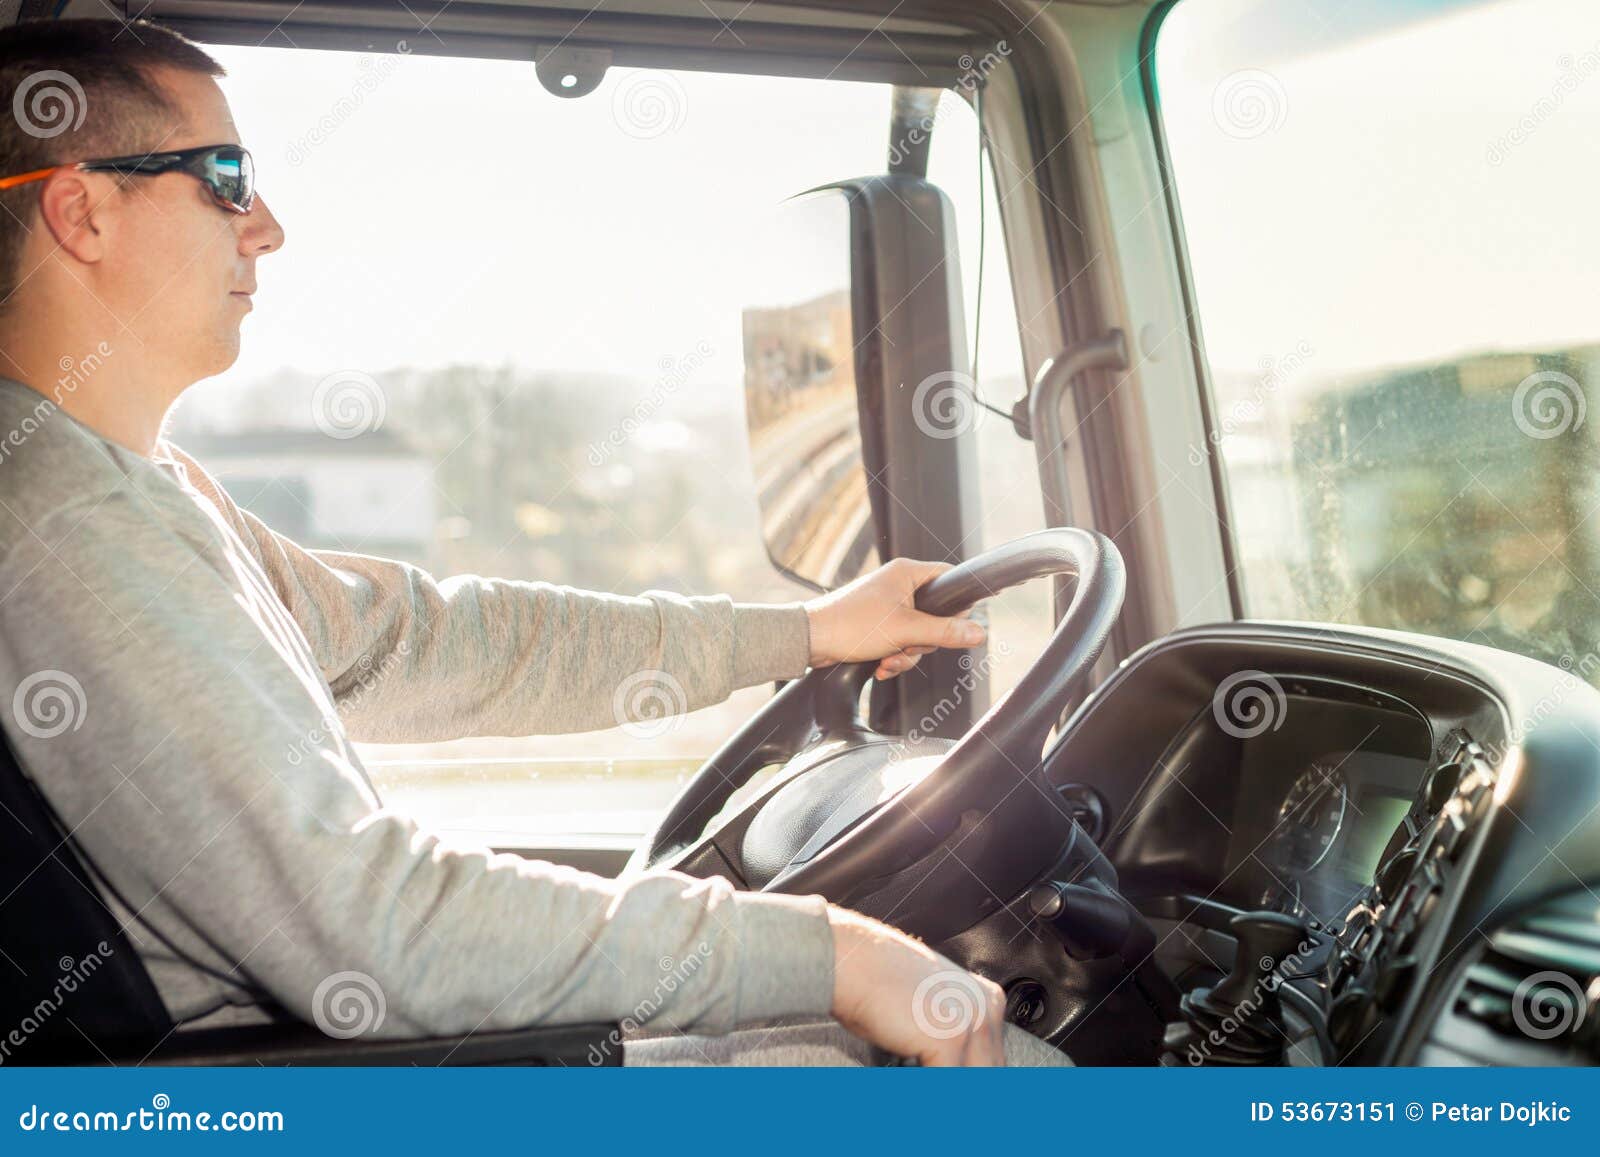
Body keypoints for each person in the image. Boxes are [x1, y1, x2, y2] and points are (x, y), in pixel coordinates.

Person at [0, 18, 1066, 1067]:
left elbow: (421, 642)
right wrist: (834, 953)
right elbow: (372, 927)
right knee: (993, 1066)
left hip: (337, 1060)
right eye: (227, 177)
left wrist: (802, 632)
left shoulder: (143, 486)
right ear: (83, 212)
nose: (265, 226)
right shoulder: (66, 523)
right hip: (286, 1090)